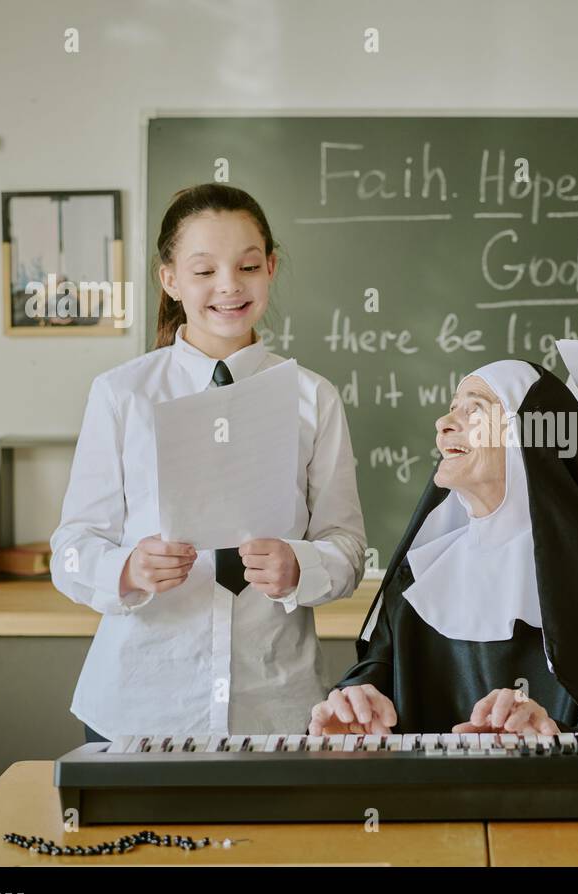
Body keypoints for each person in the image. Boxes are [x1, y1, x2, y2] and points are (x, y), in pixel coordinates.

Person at [52, 183, 366, 742]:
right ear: (169, 279)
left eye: (247, 265)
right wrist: (126, 570)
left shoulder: (312, 399)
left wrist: (301, 567)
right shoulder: (122, 395)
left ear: (270, 267)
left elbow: (347, 545)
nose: (229, 286)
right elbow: (73, 547)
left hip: (277, 707)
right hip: (139, 703)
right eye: (203, 271)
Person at [310, 360, 578, 735]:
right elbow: (373, 677)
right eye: (452, 406)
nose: (443, 424)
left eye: (474, 409)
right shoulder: (422, 571)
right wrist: (352, 708)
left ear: (529, 437)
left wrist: (550, 740)